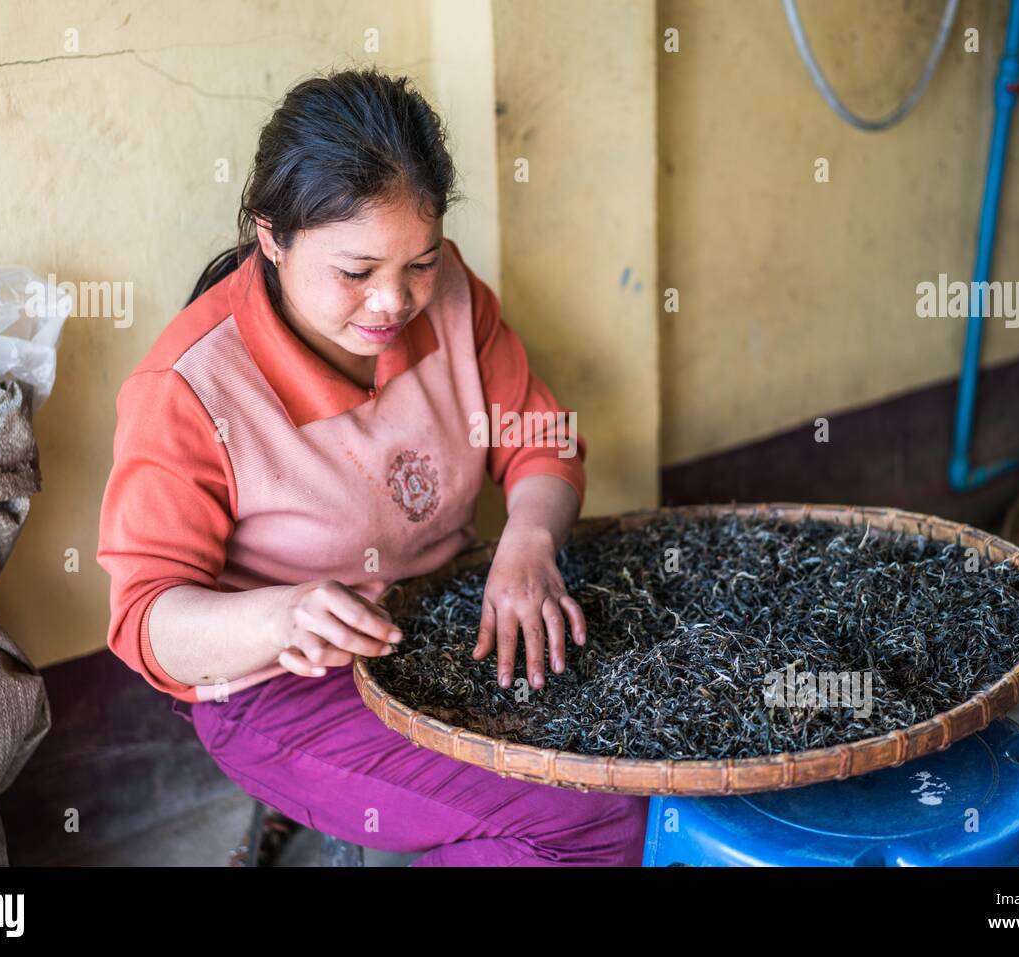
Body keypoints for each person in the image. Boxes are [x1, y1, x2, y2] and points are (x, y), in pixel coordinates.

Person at [96, 67, 647, 865]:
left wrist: (528, 540)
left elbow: (542, 438)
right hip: (281, 689)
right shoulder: (189, 389)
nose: (394, 303)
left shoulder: (450, 293)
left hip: (446, 622)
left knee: (644, 763)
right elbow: (146, 619)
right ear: (272, 239)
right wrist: (282, 615)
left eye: (418, 264)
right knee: (597, 820)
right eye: (356, 273)